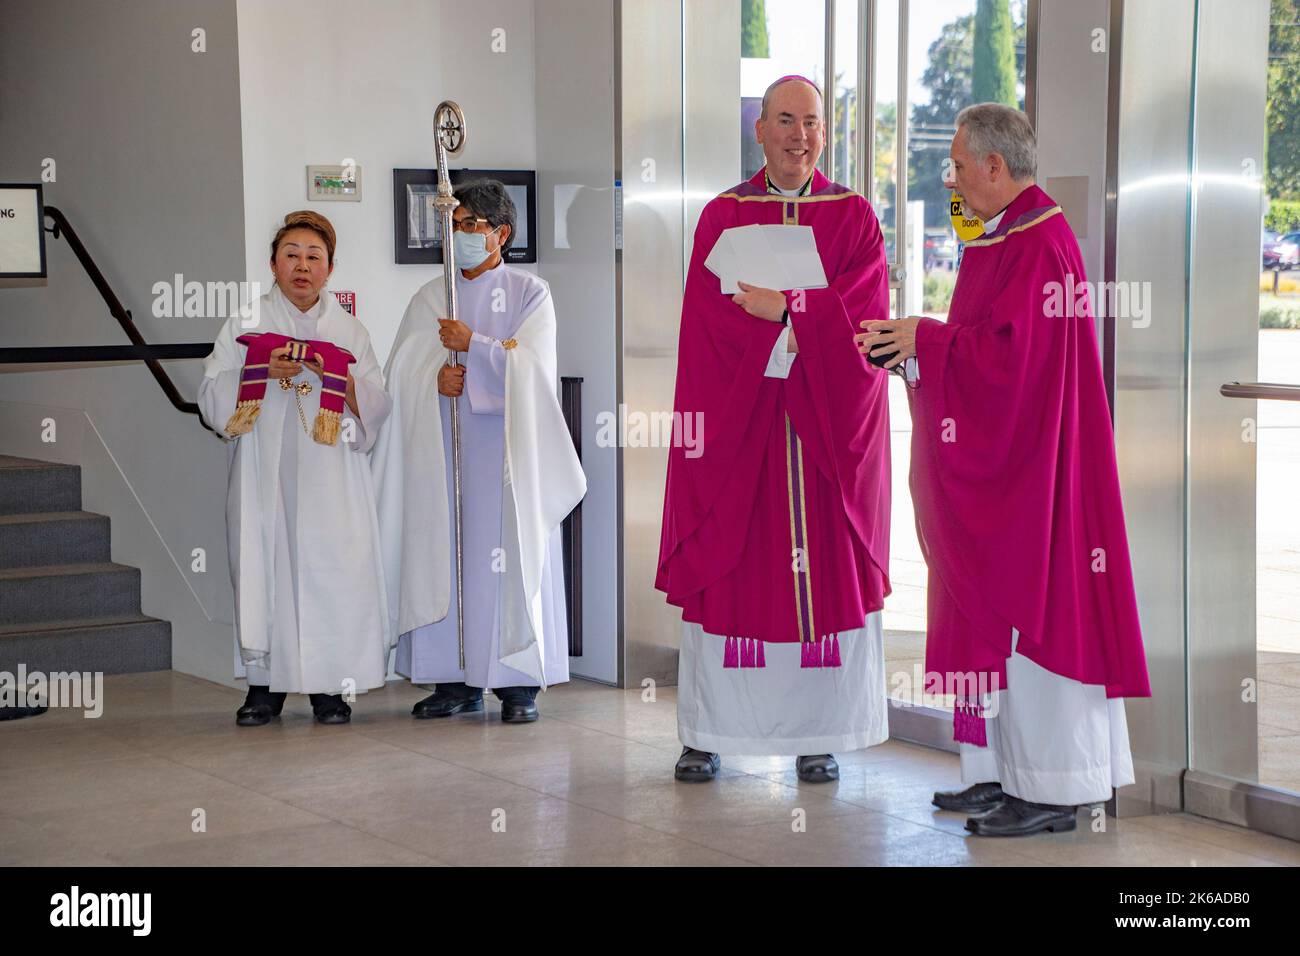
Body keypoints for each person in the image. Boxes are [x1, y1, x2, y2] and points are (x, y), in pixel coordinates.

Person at [857, 103, 1151, 836]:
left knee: (1040, 616)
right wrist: (916, 350)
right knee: (983, 617)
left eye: (958, 164)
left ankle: (1053, 788)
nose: (951, 176)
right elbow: (982, 348)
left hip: (1039, 479)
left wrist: (923, 339)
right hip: (1008, 463)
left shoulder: (1042, 242)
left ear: (995, 165)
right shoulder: (1001, 238)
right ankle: (996, 774)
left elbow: (1013, 365)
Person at [657, 75, 893, 783]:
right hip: (745, 433)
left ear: (827, 131)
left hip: (824, 437)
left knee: (819, 574)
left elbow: (864, 317)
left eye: (813, 122)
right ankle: (708, 731)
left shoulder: (854, 218)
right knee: (732, 563)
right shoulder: (723, 215)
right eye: (785, 120)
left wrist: (786, 310)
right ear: (759, 129)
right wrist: (780, 324)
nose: (800, 136)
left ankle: (818, 733)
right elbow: (707, 319)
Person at [373, 180, 585, 723]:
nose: (460, 235)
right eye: (453, 225)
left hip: (508, 456)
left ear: (501, 233)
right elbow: (400, 370)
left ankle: (516, 682)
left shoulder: (528, 293)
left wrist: (477, 348)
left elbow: (534, 368)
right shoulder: (429, 296)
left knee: (507, 555)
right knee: (443, 552)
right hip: (443, 452)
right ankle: (453, 679)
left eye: (470, 225)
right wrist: (433, 380)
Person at [199, 210, 392, 726]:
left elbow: (377, 401)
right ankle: (264, 688)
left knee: (332, 572)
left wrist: (336, 376)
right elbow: (210, 397)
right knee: (265, 569)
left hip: (332, 475)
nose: (302, 267)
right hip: (265, 469)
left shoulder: (349, 328)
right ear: (273, 264)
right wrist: (257, 370)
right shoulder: (245, 322)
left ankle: (331, 686)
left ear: (330, 269)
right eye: (291, 255)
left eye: (314, 257)